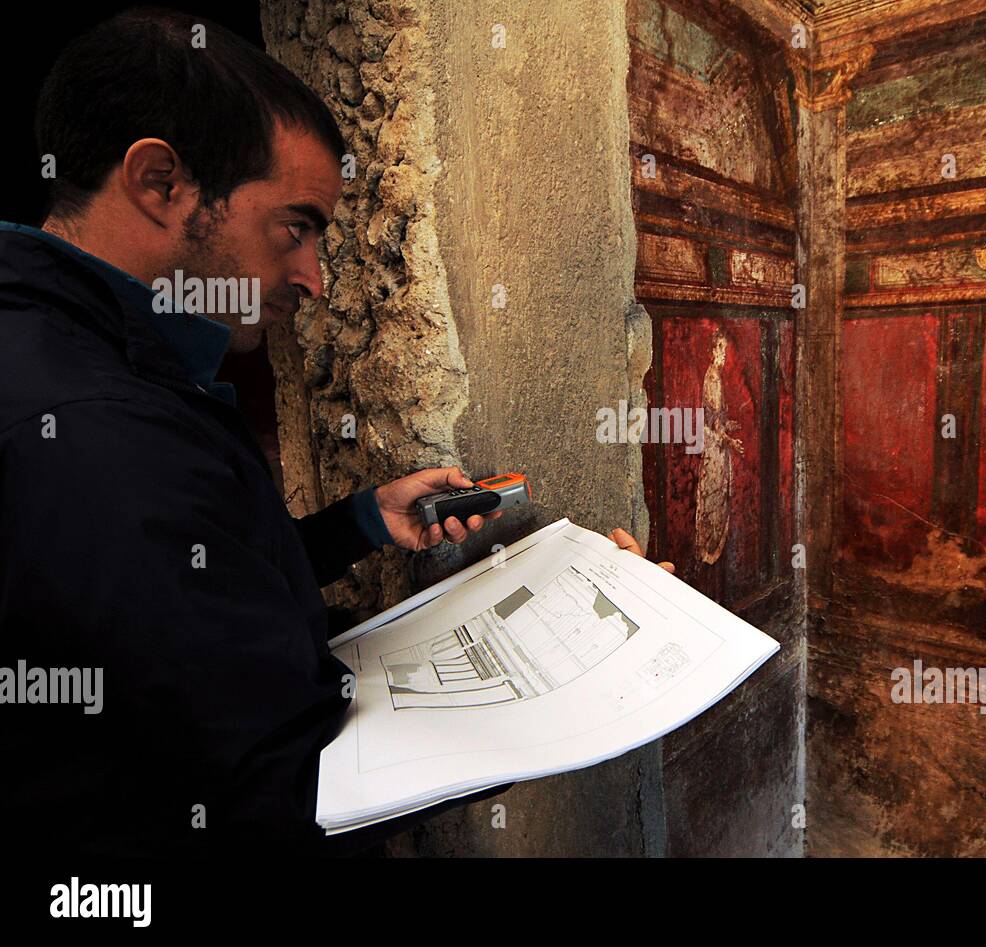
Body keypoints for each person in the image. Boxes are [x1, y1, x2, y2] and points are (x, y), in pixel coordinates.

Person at [0, 8, 670, 856]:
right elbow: (270, 795)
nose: (314, 279)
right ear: (161, 182)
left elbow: (174, 582)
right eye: (296, 226)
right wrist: (595, 685)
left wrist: (354, 524)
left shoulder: (93, 357)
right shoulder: (89, 428)